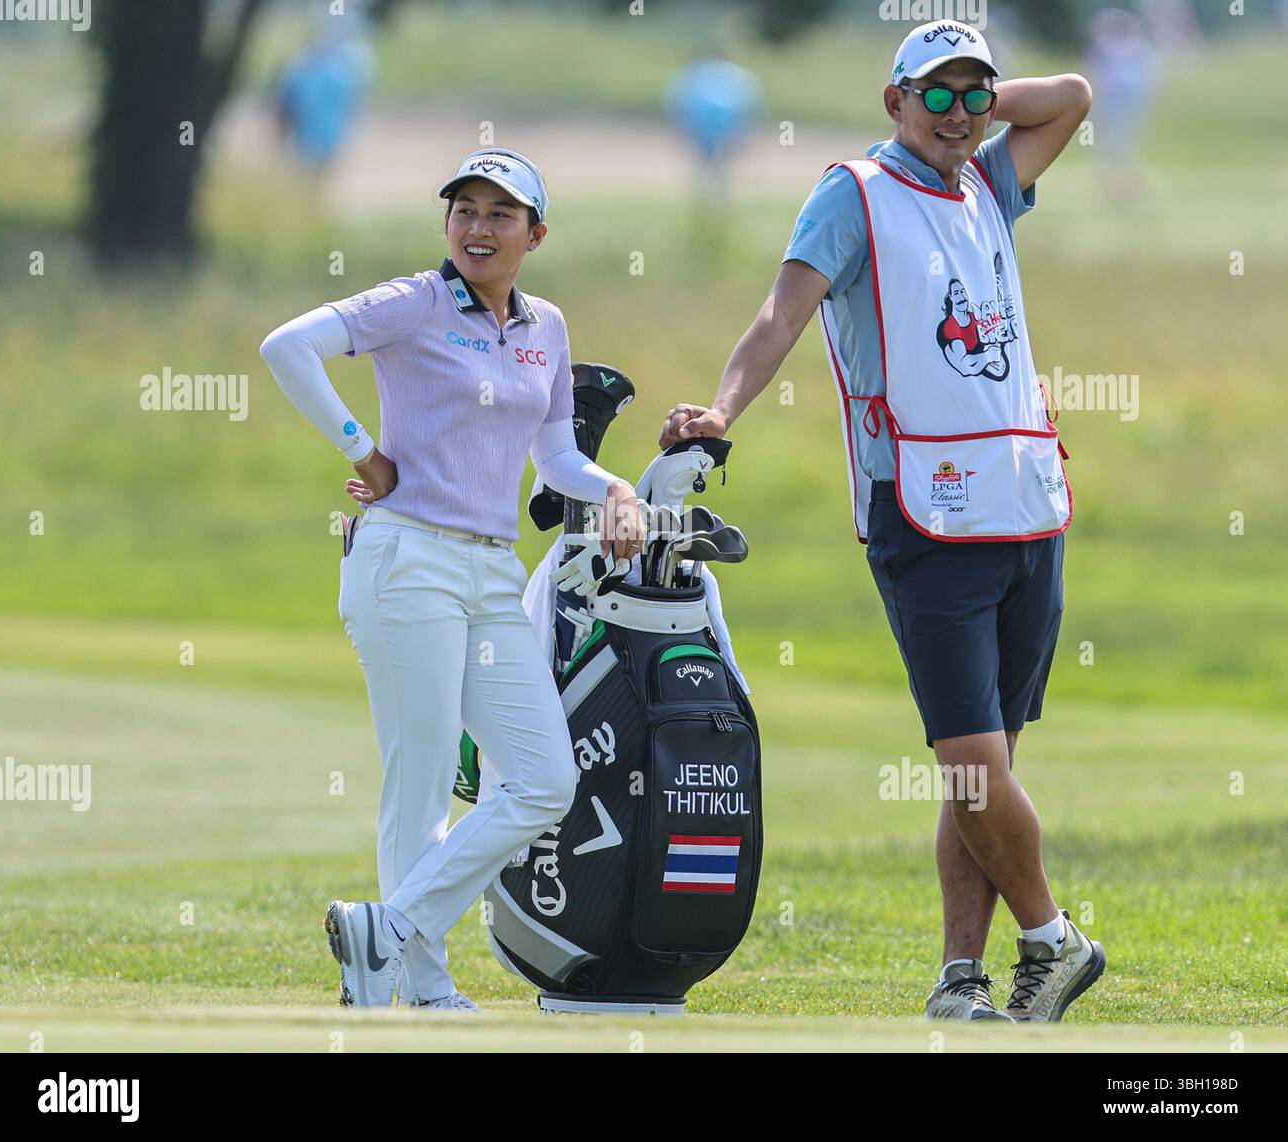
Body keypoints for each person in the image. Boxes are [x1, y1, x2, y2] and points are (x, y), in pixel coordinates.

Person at [659, 21, 1104, 1023]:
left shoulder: (986, 183)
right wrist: (723, 411)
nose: (956, 113)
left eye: (972, 95)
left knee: (984, 769)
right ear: (891, 99)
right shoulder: (853, 192)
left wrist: (984, 104)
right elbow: (779, 314)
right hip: (925, 511)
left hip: (1023, 506)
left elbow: (1071, 93)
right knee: (970, 763)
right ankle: (1052, 938)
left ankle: (962, 978)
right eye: (933, 94)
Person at [259, 148, 645, 1009]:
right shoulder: (417, 302)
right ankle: (422, 986)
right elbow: (287, 348)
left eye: (501, 214)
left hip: (491, 570)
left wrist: (615, 488)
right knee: (424, 781)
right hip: (407, 559)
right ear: (448, 224)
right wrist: (363, 447)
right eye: (465, 210)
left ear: (534, 233)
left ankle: (386, 929)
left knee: (543, 778)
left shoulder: (545, 326)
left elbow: (555, 459)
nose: (479, 227)